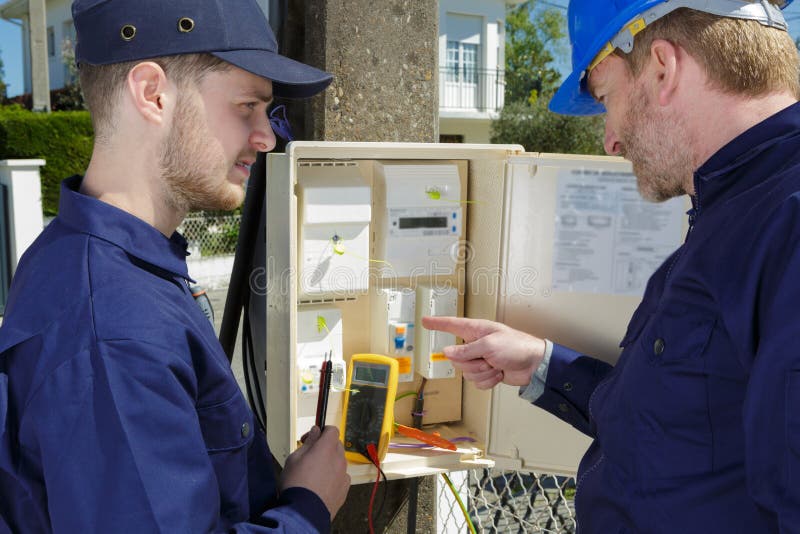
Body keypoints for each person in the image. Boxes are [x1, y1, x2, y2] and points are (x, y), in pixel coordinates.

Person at [424, 0, 800, 531]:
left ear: (663, 68)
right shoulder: (736, 213)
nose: (611, 139)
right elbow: (684, 423)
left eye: (606, 100)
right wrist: (543, 365)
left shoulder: (784, 218)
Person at [0, 0, 350, 532]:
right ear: (152, 93)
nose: (268, 136)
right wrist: (307, 506)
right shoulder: (116, 328)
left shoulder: (74, 254)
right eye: (246, 106)